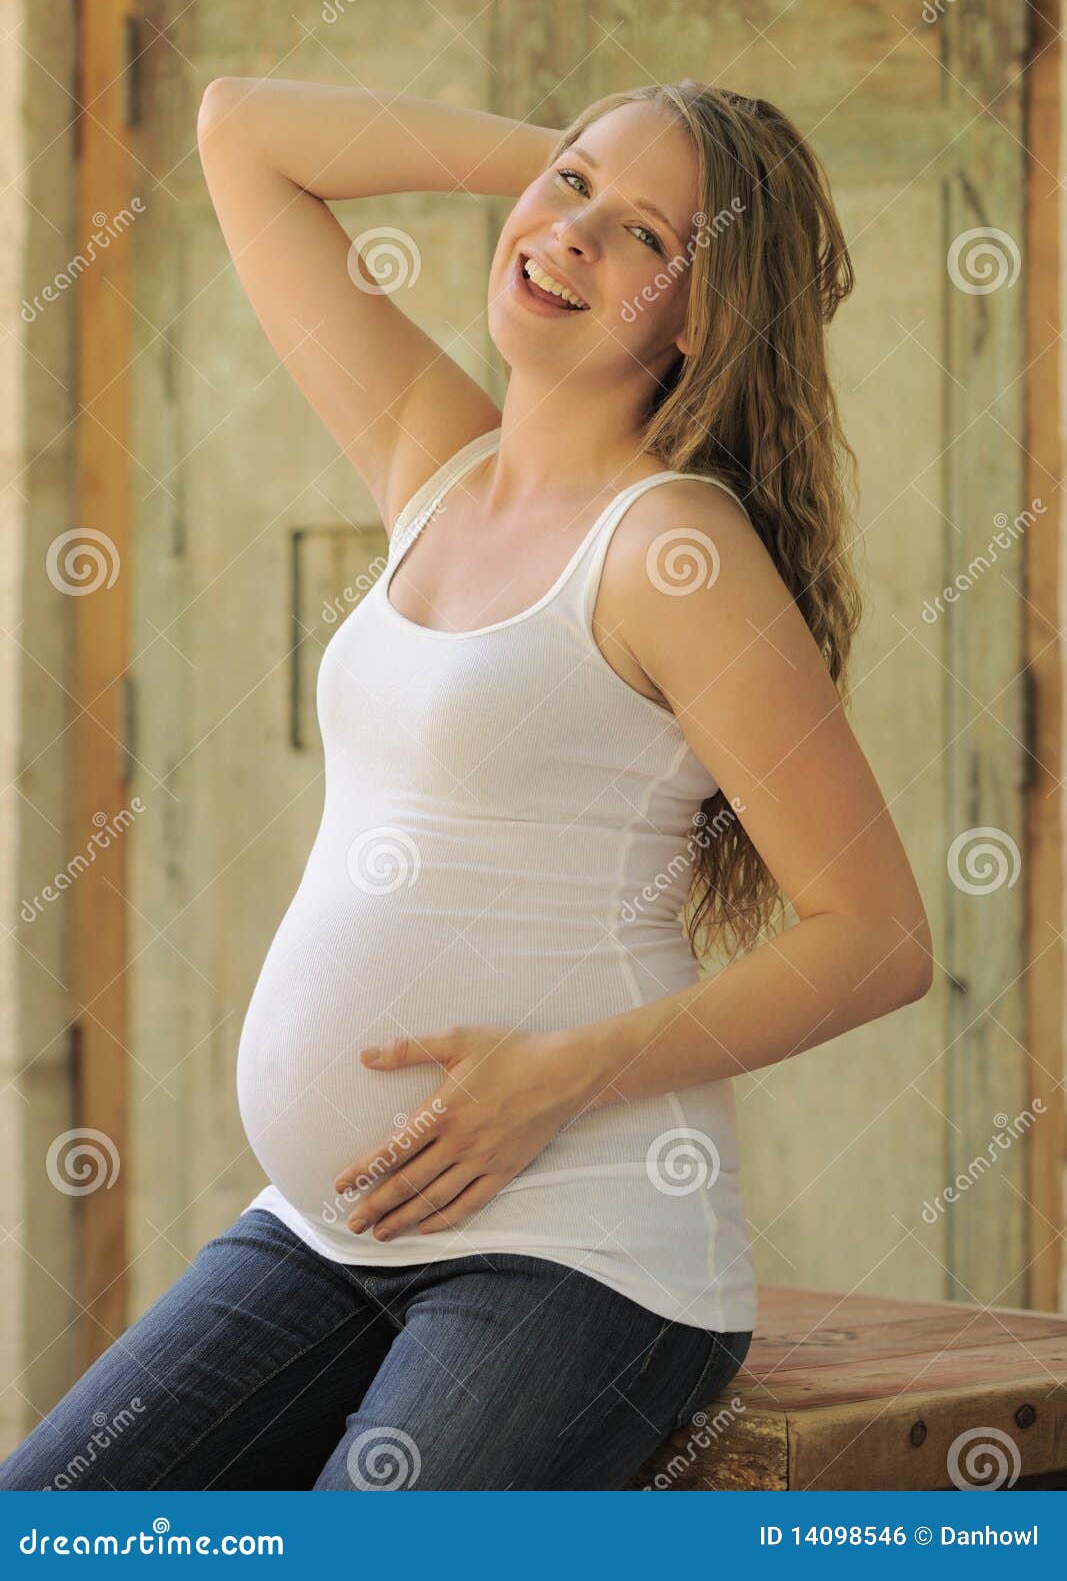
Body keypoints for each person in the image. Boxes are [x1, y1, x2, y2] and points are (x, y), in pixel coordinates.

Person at [0, 78, 932, 1491]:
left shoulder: (674, 551)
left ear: (704, 313)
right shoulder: (438, 461)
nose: (569, 238)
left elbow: (877, 934)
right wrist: (569, 169)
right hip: (333, 1230)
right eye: (568, 191)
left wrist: (555, 1078)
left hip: (581, 1250)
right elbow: (241, 130)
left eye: (642, 240)